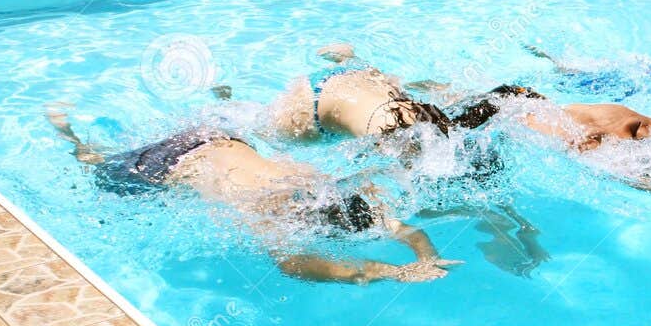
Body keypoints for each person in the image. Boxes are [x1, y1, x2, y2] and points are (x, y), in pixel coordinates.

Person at [239, 45, 651, 219]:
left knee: (422, 106)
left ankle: (348, 56)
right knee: (255, 129)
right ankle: (343, 58)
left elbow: (498, 101)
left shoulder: (596, 122)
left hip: (371, 94)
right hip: (318, 105)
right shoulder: (593, 131)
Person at [45, 108, 456, 285]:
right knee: (94, 165)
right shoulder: (267, 211)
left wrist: (427, 256)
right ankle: (68, 135)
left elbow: (403, 228)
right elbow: (296, 266)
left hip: (215, 135)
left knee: (109, 153)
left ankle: (68, 128)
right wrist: (396, 272)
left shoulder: (317, 182)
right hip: (168, 166)